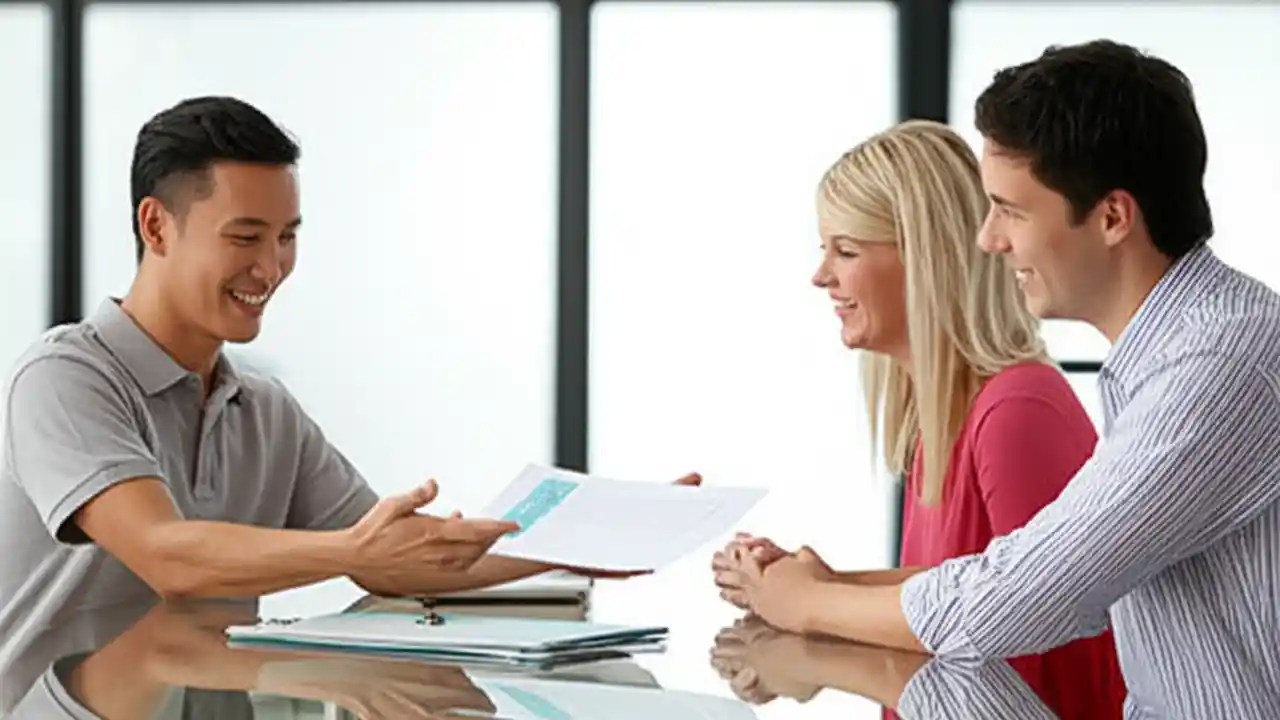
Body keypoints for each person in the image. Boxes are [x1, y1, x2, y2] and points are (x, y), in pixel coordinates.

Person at [716, 40, 1280, 718]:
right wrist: (824, 585)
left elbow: (1022, 598)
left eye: (1010, 209)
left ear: (1111, 218)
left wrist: (805, 602)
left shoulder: (1217, 367)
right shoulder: (1168, 358)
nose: (986, 239)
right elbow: (1022, 572)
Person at [0, 96, 694, 638]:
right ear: (156, 227)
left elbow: (399, 557)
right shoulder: (65, 378)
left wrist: (585, 540)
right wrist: (351, 552)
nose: (270, 268)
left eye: (287, 238)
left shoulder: (266, 412)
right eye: (245, 237)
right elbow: (167, 553)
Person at [712, 119, 1125, 718]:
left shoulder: (1017, 412)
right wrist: (810, 586)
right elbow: (956, 590)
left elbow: (1024, 624)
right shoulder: (943, 420)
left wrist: (811, 603)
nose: (821, 275)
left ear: (925, 262)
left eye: (845, 250)